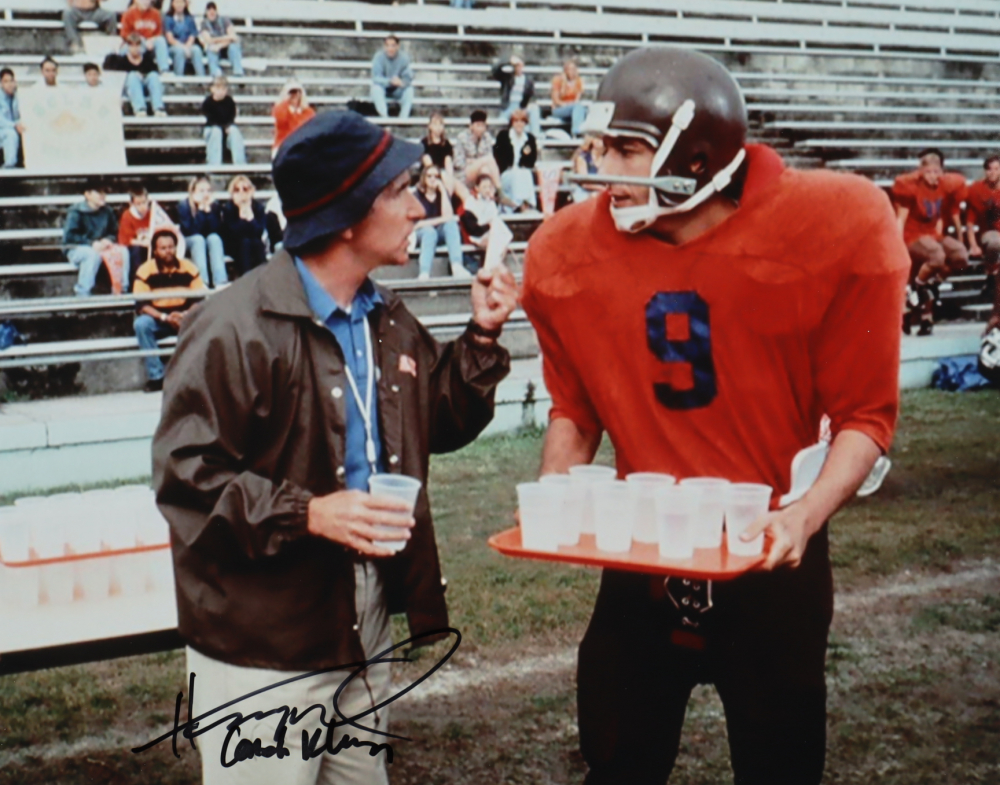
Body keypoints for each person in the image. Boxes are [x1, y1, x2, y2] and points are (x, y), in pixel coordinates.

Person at [520, 46, 909, 785]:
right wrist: (553, 497)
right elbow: (575, 405)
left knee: (779, 766)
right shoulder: (566, 248)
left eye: (627, 150)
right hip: (645, 557)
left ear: (697, 162)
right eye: (599, 145)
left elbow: (865, 416)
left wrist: (803, 515)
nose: (602, 168)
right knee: (617, 762)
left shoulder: (831, 223)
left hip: (770, 559)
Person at [152, 109, 517, 785]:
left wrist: (483, 337)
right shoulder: (233, 327)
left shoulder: (386, 317)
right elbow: (185, 477)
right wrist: (310, 513)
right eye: (400, 190)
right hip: (265, 635)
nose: (417, 207)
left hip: (364, 612)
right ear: (348, 214)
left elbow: (435, 419)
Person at [892, 148, 968, 335]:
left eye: (936, 171)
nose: (933, 176)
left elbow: (941, 214)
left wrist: (942, 235)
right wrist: (896, 244)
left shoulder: (945, 186)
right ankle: (919, 291)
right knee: (937, 255)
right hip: (912, 237)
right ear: (920, 172)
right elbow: (900, 218)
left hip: (931, 236)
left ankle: (923, 292)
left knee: (960, 255)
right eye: (928, 172)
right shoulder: (911, 188)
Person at [133, 229, 204, 392]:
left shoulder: (189, 268)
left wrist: (185, 315)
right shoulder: (145, 270)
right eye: (163, 248)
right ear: (155, 250)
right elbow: (142, 304)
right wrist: (165, 318)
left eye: (171, 247)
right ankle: (156, 377)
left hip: (186, 317)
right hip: (159, 319)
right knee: (141, 325)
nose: (168, 252)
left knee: (205, 320)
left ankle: (193, 377)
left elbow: (199, 299)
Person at [63, 182, 121, 297]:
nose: (103, 195)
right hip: (76, 248)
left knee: (122, 251)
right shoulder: (76, 211)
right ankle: (82, 293)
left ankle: (120, 289)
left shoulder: (107, 211)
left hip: (100, 246)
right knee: (92, 255)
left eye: (104, 192)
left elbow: (114, 232)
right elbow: (70, 236)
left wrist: (108, 239)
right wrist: (91, 243)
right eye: (98, 192)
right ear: (87, 195)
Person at [412, 164, 468, 280]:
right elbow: (416, 224)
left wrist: (442, 190)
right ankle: (424, 272)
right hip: (422, 233)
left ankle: (456, 266)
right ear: (424, 178)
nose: (433, 179)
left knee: (451, 225)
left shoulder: (441, 194)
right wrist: (440, 220)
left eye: (436, 176)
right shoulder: (417, 196)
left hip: (439, 232)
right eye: (429, 176)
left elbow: (448, 217)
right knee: (429, 232)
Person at [177, 175, 228, 288]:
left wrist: (209, 212)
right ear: (193, 192)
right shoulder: (184, 205)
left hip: (207, 239)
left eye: (208, 191)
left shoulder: (214, 205)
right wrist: (200, 210)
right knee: (198, 239)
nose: (205, 194)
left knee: (214, 238)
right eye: (201, 191)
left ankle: (220, 281)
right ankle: (201, 282)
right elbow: (191, 230)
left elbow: (216, 229)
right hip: (190, 240)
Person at [106, 33, 167, 117]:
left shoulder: (147, 58)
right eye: (132, 45)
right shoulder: (122, 60)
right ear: (128, 47)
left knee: (153, 76)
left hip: (146, 87)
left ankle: (159, 108)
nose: (135, 48)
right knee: (132, 76)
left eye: (137, 45)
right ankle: (140, 109)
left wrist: (143, 76)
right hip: (130, 89)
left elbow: (154, 71)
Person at [493, 108, 538, 212]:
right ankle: (518, 205)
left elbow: (531, 162)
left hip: (522, 174)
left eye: (522, 121)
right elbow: (498, 158)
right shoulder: (503, 136)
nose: (519, 124)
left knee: (525, 173)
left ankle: (526, 205)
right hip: (506, 174)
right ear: (512, 123)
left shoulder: (530, 139)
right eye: (516, 121)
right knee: (517, 174)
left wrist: (524, 155)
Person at [221, 174, 267, 276]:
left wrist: (251, 218)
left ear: (251, 191)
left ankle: (264, 277)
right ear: (232, 193)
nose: (241, 193)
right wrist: (242, 217)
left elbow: (259, 232)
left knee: (257, 243)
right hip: (234, 245)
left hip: (254, 243)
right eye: (237, 190)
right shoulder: (228, 209)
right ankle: (246, 278)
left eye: (245, 189)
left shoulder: (258, 207)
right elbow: (233, 233)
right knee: (245, 242)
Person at [965, 155, 1000, 275]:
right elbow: (970, 221)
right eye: (989, 169)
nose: (993, 172)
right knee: (995, 242)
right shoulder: (977, 189)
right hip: (990, 232)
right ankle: (991, 274)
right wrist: (973, 245)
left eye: (996, 169)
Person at [492, 54, 542, 137]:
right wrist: (508, 60)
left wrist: (525, 108)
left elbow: (532, 96)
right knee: (501, 124)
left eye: (519, 65)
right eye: (516, 65)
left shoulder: (528, 80)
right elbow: (495, 70)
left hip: (522, 107)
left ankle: (536, 137)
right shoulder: (507, 77)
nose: (518, 67)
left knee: (534, 109)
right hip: (509, 107)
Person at [201, 75, 245, 166]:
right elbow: (211, 119)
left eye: (223, 89)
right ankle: (214, 163)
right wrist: (223, 126)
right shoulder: (208, 102)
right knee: (216, 131)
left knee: (234, 131)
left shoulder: (229, 101)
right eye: (218, 88)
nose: (221, 91)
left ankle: (240, 163)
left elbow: (231, 116)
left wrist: (228, 125)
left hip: (225, 127)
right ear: (212, 89)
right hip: (211, 128)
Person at [370, 34, 414, 120]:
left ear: (398, 46)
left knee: (409, 90)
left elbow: (408, 77)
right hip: (383, 88)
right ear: (384, 46)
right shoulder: (378, 57)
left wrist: (401, 82)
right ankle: (385, 118)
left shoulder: (404, 58)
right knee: (375, 89)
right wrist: (389, 81)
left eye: (393, 45)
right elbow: (376, 78)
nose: (390, 49)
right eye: (387, 45)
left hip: (397, 89)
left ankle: (403, 119)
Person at [454, 109, 500, 189]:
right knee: (487, 160)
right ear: (471, 126)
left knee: (486, 170)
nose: (481, 128)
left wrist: (474, 162)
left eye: (483, 125)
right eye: (478, 125)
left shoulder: (487, 137)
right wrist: (478, 162)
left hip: (480, 171)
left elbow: (489, 162)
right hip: (464, 174)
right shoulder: (462, 137)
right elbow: (458, 163)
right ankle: (499, 190)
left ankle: (489, 196)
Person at [120, 0, 170, 73]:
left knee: (161, 40)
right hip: (136, 43)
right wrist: (140, 40)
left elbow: (159, 33)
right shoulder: (129, 14)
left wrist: (152, 40)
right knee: (123, 51)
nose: (145, 2)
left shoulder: (156, 13)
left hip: (151, 43)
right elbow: (124, 34)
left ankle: (164, 70)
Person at [117, 185, 152, 290]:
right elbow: (125, 240)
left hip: (148, 245)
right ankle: (136, 283)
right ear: (131, 204)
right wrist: (141, 242)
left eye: (144, 203)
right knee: (136, 252)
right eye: (138, 204)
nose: (142, 206)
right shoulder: (127, 216)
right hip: (133, 247)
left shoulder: (152, 213)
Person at [199, 1, 244, 77]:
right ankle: (216, 73)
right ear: (206, 12)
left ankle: (238, 73)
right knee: (211, 49)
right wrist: (226, 38)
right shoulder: (204, 24)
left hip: (226, 47)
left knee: (234, 46)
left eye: (213, 10)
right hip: (215, 49)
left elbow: (233, 37)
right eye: (209, 11)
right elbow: (209, 40)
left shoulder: (224, 20)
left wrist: (219, 45)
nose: (211, 13)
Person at [272, 79, 315, 155]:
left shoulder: (309, 112)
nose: (294, 94)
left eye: (297, 91)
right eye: (291, 92)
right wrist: (286, 101)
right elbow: (281, 121)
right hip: (283, 145)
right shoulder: (280, 109)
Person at [163, 0, 205, 77]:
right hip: (173, 47)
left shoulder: (189, 18)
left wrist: (187, 46)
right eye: (177, 2)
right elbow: (170, 38)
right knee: (179, 51)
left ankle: (202, 79)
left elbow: (192, 35)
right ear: (172, 4)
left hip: (188, 45)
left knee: (196, 49)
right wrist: (183, 47)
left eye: (181, 2)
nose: (179, 5)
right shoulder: (168, 18)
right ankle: (179, 80)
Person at [550, 58, 588, 138]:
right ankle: (576, 132)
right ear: (565, 70)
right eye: (570, 69)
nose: (572, 71)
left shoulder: (578, 81)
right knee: (577, 107)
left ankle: (579, 132)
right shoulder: (557, 80)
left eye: (574, 69)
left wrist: (571, 105)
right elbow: (556, 100)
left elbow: (577, 100)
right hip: (559, 108)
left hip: (573, 108)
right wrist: (564, 85)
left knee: (582, 109)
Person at [421, 112, 455, 191]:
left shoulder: (446, 144)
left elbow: (448, 162)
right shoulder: (424, 143)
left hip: (445, 175)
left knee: (453, 182)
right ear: (430, 126)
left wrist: (449, 177)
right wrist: (439, 176)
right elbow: (427, 163)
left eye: (440, 124)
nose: (438, 127)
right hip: (429, 175)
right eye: (435, 124)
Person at [570, 133, 605, 202]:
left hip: (602, 190)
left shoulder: (607, 157)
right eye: (598, 138)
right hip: (584, 190)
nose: (600, 141)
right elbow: (584, 183)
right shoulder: (583, 157)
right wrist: (601, 188)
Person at [0, 68, 23, 169]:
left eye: (11, 80)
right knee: (10, 134)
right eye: (6, 81)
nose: (9, 84)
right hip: (3, 129)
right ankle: (9, 165)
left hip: (11, 128)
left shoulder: (18, 96)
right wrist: (14, 125)